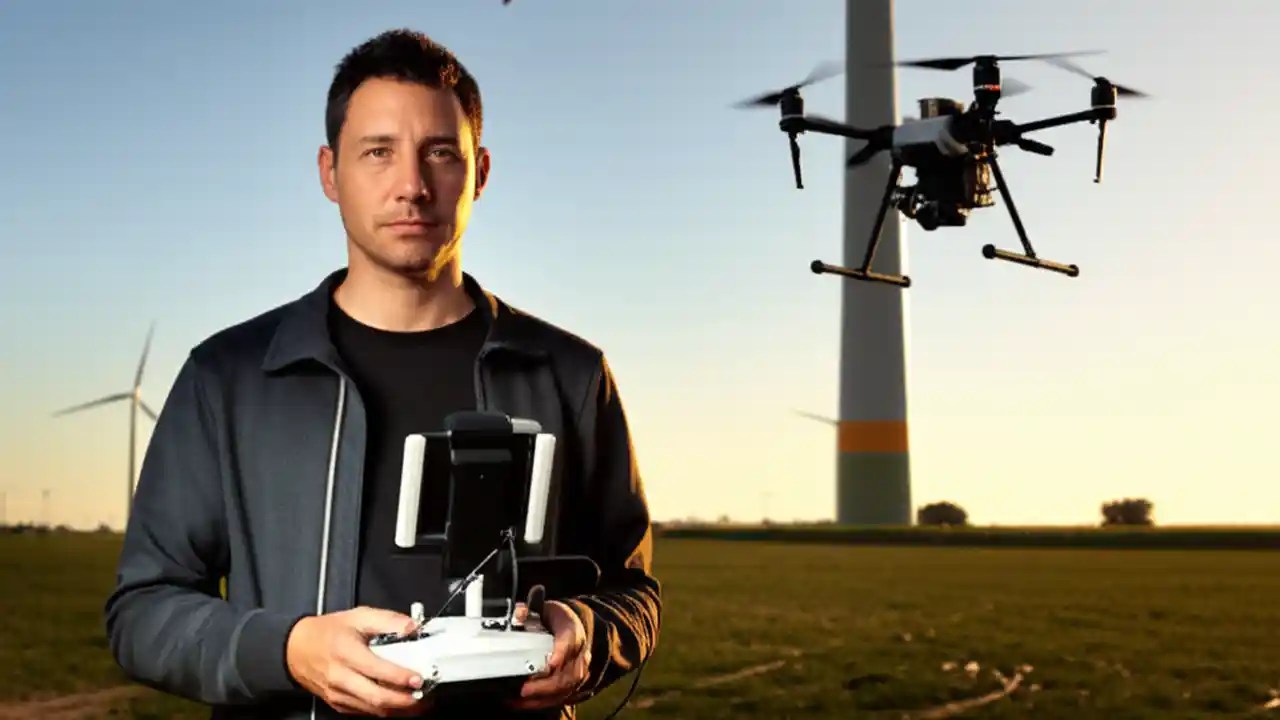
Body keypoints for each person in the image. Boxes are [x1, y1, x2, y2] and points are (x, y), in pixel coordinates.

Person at [104, 28, 661, 720]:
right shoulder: (229, 377)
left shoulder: (570, 375)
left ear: (479, 172)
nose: (412, 186)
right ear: (329, 172)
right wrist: (289, 650)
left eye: (440, 153)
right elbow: (143, 611)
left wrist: (590, 635)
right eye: (378, 152)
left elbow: (634, 595)